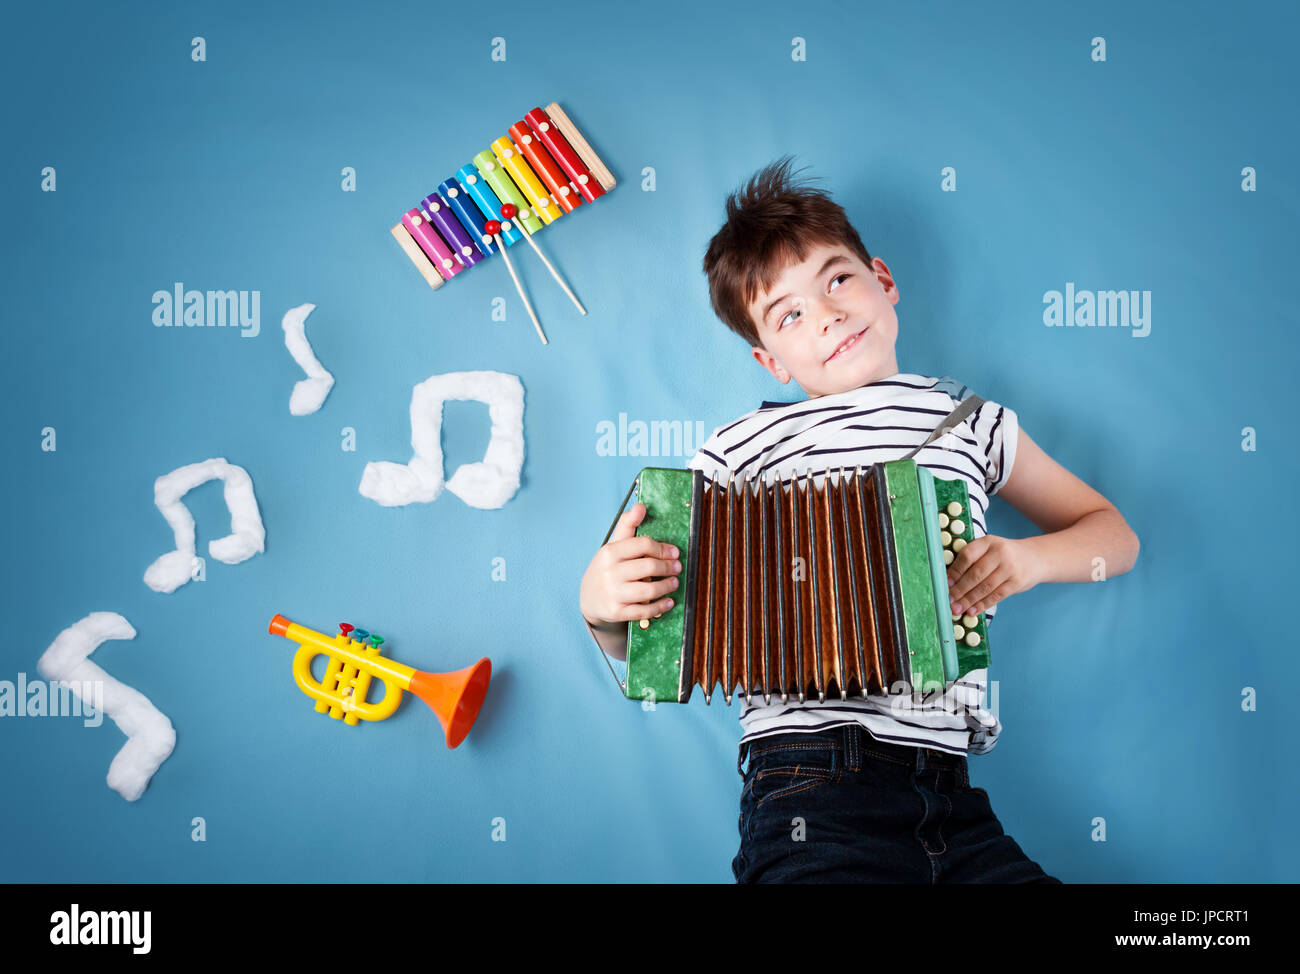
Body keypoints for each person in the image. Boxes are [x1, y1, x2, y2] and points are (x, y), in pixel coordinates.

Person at [579, 156, 1139, 883]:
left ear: (884, 280)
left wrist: (1029, 561)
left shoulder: (969, 419)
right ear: (770, 359)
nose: (829, 314)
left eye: (838, 279)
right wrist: (600, 606)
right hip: (806, 786)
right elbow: (648, 636)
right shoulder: (734, 451)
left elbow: (1113, 535)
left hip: (950, 793)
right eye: (790, 315)